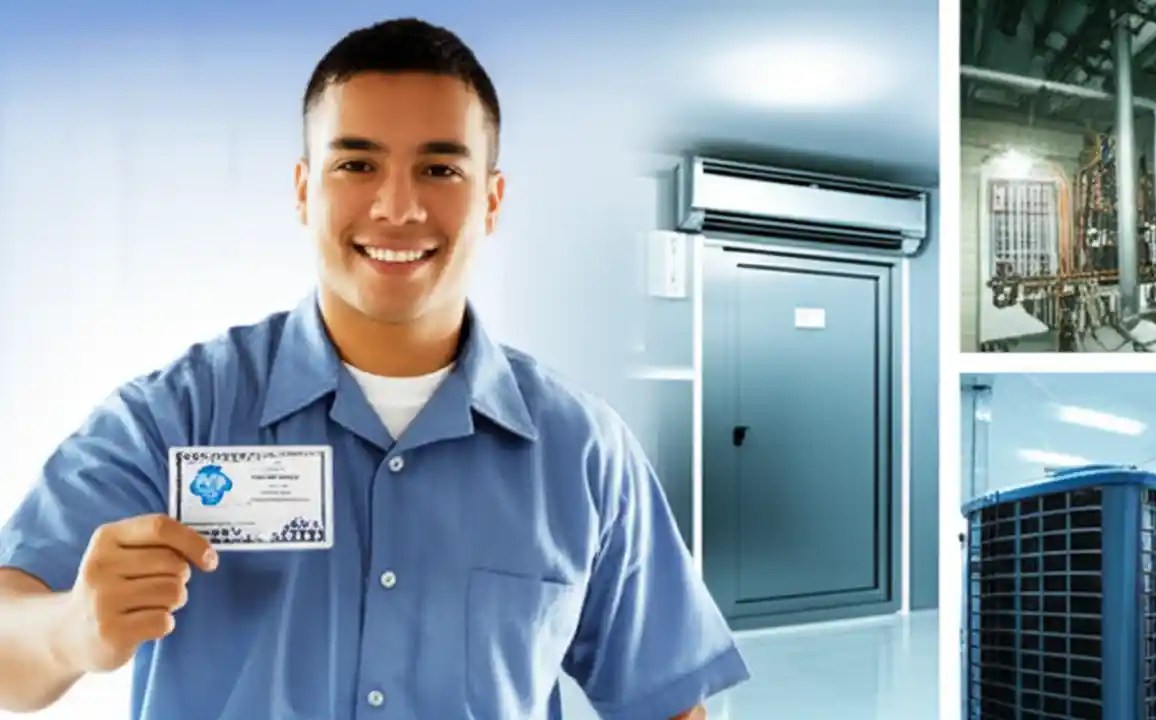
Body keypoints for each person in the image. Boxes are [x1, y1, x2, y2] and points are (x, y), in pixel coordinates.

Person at [0, 17, 749, 720]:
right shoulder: (174, 417)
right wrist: (70, 630)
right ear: (304, 190)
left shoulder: (585, 453)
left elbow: (668, 702)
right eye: (357, 163)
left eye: (440, 169)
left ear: (492, 200)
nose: (397, 207)